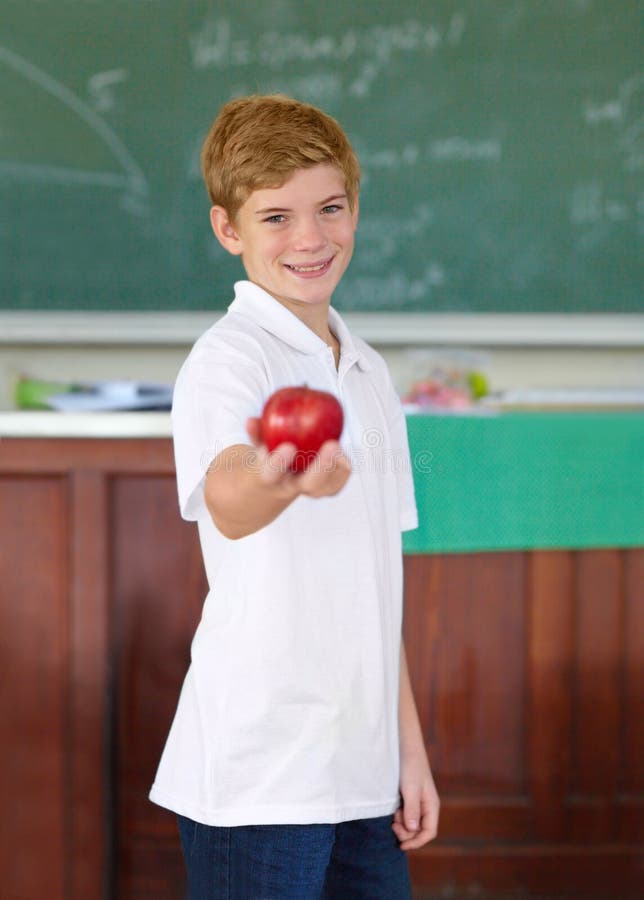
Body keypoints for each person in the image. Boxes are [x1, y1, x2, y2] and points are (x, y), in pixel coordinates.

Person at [149, 94, 440, 899]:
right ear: (228, 230)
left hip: (363, 775)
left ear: (354, 207)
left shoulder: (369, 370)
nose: (310, 239)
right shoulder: (228, 361)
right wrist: (281, 477)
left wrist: (407, 752)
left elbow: (377, 590)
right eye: (276, 218)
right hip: (262, 778)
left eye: (330, 209)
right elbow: (229, 497)